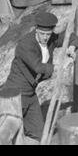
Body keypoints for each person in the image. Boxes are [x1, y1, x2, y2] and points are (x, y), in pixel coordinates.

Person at [5, 9, 59, 141]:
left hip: (30, 93)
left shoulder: (49, 39)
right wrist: (54, 69)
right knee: (10, 133)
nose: (45, 37)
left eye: (48, 33)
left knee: (40, 134)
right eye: (42, 34)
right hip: (16, 93)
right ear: (36, 30)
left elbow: (67, 36)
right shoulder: (25, 45)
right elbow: (37, 66)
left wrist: (72, 46)